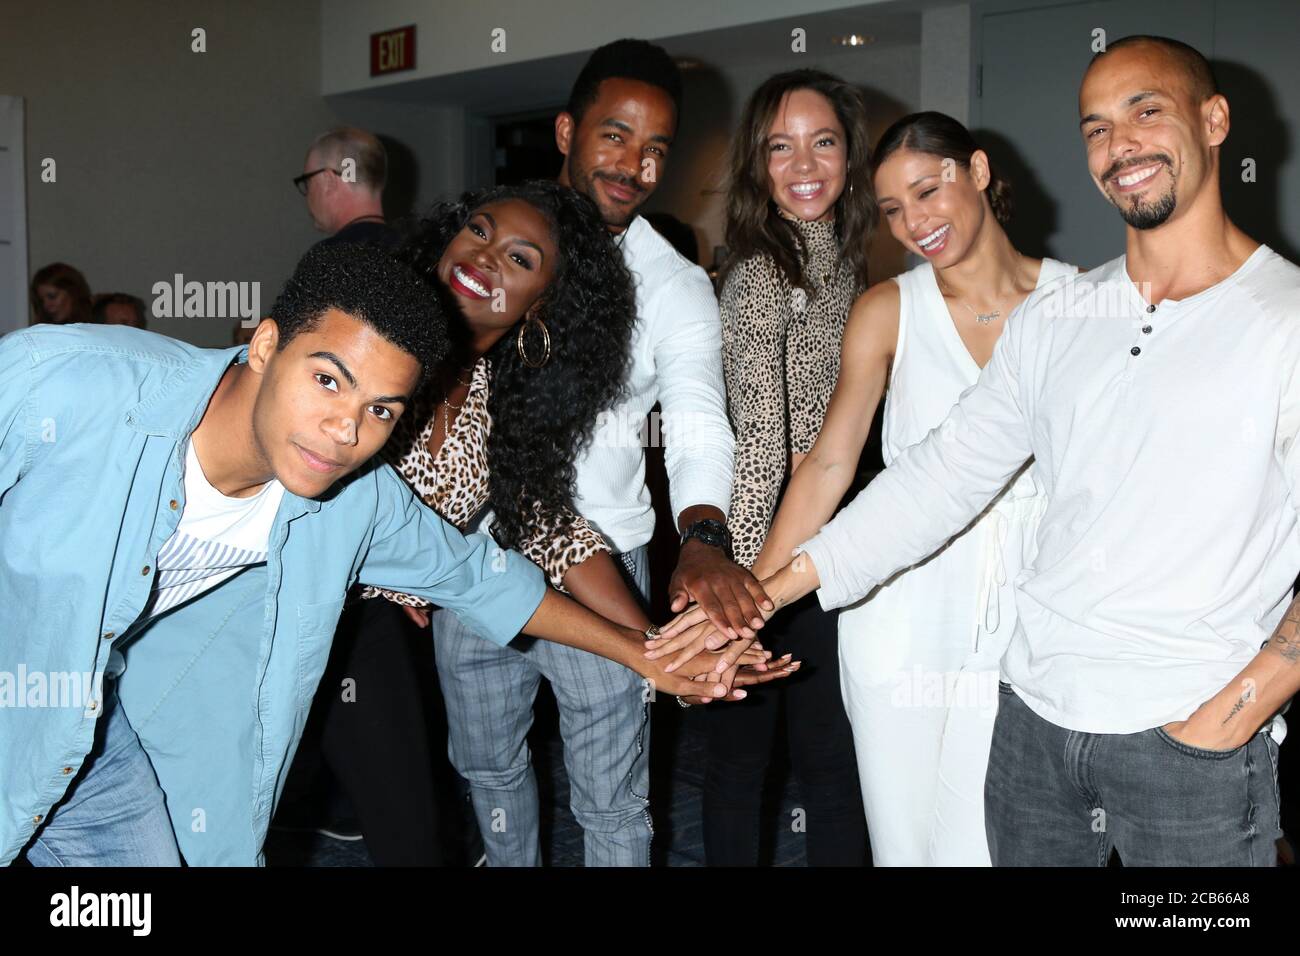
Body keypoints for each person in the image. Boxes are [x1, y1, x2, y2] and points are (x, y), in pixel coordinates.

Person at [657, 35, 1300, 867]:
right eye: (1097, 127)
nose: (1121, 144)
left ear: (1213, 121)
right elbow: (932, 480)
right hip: (1032, 726)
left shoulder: (1284, 320)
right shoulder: (1060, 322)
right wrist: (759, 601)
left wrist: (1240, 708)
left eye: (1147, 111)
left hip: (1187, 742)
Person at [0, 241, 753, 867]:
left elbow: (481, 579)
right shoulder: (71, 385)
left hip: (94, 741)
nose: (343, 430)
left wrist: (641, 651)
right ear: (265, 345)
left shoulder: (351, 501)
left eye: (380, 410)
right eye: (327, 380)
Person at [433, 38, 771, 867]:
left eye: (657, 148)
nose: (636, 165)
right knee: (486, 767)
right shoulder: (488, 247)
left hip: (606, 565)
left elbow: (696, 418)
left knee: (612, 804)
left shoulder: (672, 284)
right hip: (473, 562)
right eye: (615, 136)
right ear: (565, 130)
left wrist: (702, 534)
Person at [730, 110, 1075, 865]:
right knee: (902, 850)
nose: (915, 223)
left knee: (980, 848)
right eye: (892, 209)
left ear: (977, 172)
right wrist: (749, 606)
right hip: (900, 611)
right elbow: (828, 463)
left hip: (1024, 618)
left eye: (929, 191)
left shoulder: (1079, 303)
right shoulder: (888, 309)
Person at [700, 69, 873, 866]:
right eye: (781, 146)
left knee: (829, 763)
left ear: (849, 156)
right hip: (767, 552)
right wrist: (744, 596)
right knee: (746, 765)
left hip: (826, 546)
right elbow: (762, 448)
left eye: (824, 141)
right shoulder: (762, 272)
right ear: (757, 164)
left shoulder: (848, 263)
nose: (805, 164)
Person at [296, 127, 393, 246]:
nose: (307, 195)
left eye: (308, 182)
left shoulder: (329, 257)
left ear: (328, 181)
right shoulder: (414, 254)